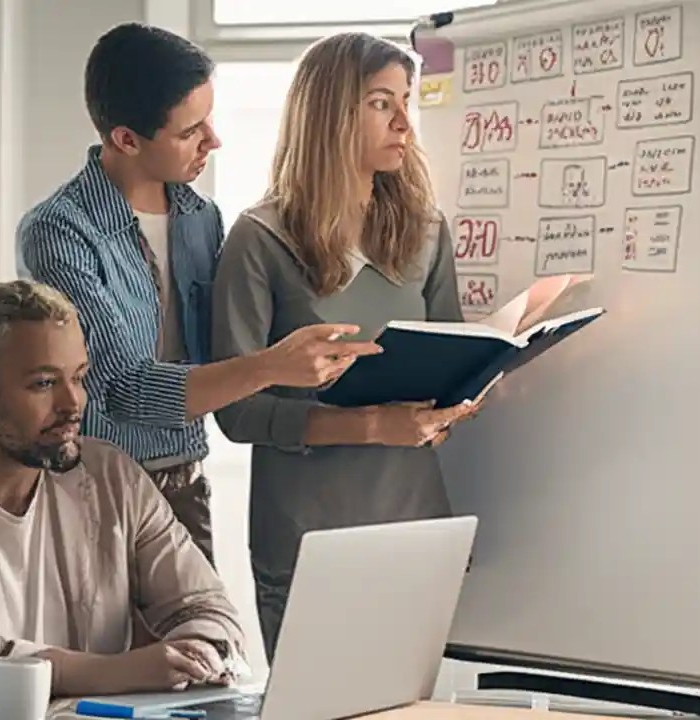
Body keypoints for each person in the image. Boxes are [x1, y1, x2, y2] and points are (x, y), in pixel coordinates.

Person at [17, 22, 379, 565]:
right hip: (88, 491)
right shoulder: (58, 232)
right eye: (191, 131)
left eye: (209, 118)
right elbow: (124, 390)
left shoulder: (202, 218)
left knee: (202, 646)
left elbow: (225, 348)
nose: (214, 139)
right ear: (126, 139)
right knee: (110, 649)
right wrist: (272, 366)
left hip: (184, 487)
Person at [210, 33, 488, 660]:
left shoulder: (425, 231)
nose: (404, 125)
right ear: (332, 111)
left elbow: (453, 355)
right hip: (309, 535)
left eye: (407, 103)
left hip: (415, 523)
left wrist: (470, 388)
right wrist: (369, 425)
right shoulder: (259, 239)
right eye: (381, 103)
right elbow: (236, 412)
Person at [0, 280, 248, 702]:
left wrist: (198, 651)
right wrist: (117, 672)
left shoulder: (114, 477)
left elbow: (207, 608)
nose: (73, 404)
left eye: (79, 377)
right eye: (43, 383)